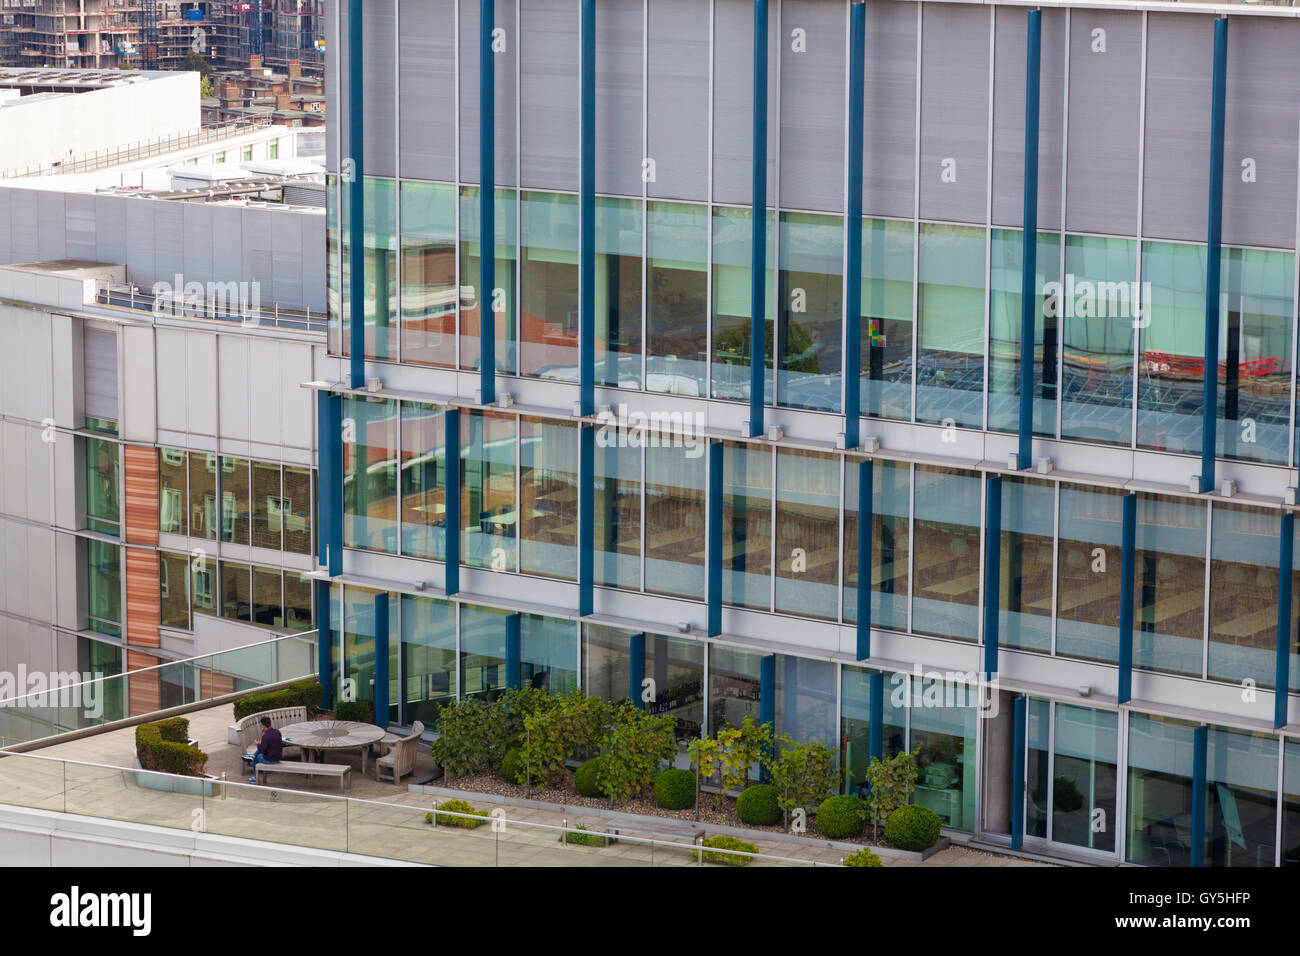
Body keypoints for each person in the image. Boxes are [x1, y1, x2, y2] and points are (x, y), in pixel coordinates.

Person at [248, 716, 283, 783]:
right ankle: (253, 755)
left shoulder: (265, 736)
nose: (261, 727)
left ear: (263, 726)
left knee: (256, 758)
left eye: (261, 725)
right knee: (258, 752)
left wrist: (257, 744)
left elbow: (262, 751)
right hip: (278, 757)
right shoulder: (277, 732)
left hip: (271, 760)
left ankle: (255, 778)